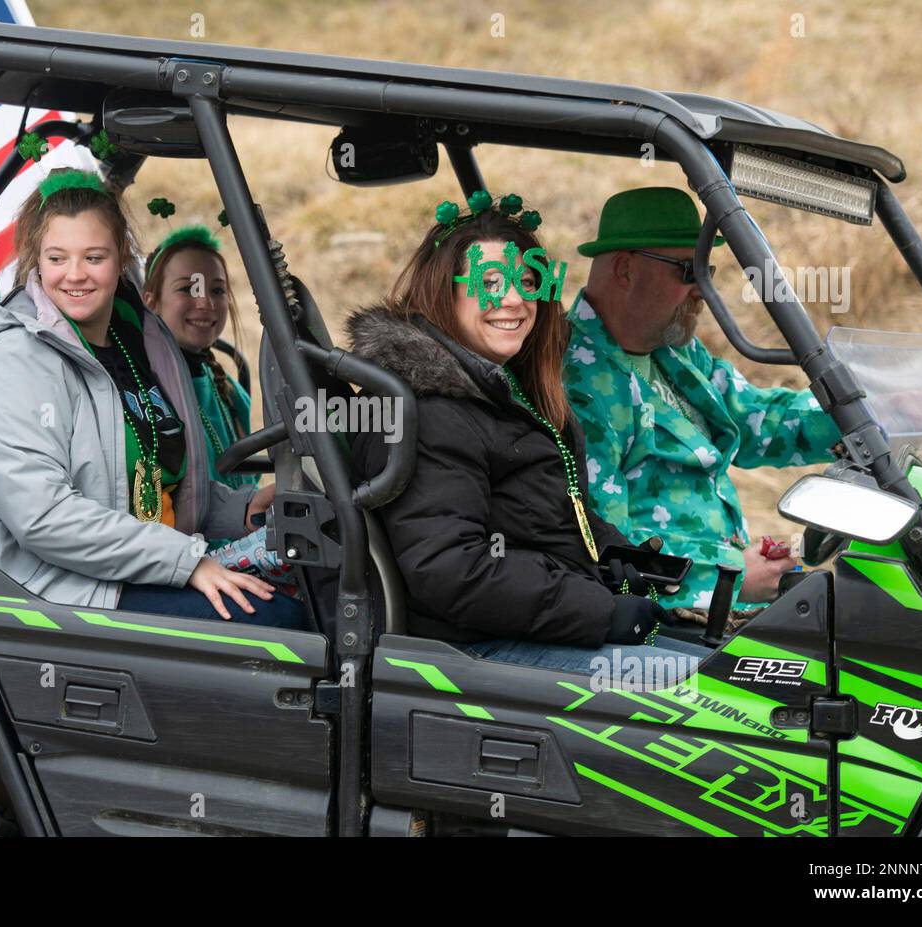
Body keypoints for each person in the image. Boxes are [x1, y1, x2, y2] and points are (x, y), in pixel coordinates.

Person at [349, 191, 707, 675]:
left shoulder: (505, 392)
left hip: (527, 627)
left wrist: (613, 554)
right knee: (698, 693)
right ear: (444, 292)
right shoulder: (434, 410)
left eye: (527, 281)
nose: (514, 299)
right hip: (473, 651)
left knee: (723, 663)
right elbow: (453, 571)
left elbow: (540, 518)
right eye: (489, 282)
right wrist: (599, 611)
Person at [0, 168, 308, 629]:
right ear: (37, 262)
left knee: (311, 591)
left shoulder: (137, 345)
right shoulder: (10, 364)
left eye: (94, 257)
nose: (75, 275)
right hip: (50, 592)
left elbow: (152, 483)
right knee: (279, 621)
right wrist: (186, 561)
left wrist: (244, 511)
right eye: (58, 258)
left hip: (134, 570)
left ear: (121, 261)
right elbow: (44, 518)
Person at [564, 187, 842, 613]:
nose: (703, 291)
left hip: (714, 616)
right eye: (687, 272)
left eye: (706, 271)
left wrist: (856, 414)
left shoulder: (673, 352)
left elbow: (757, 422)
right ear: (624, 270)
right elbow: (603, 546)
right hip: (660, 633)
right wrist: (729, 575)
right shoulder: (577, 382)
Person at [142, 222, 261, 491]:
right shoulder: (145, 393)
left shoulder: (230, 392)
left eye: (217, 290)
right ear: (150, 302)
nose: (205, 302)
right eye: (188, 288)